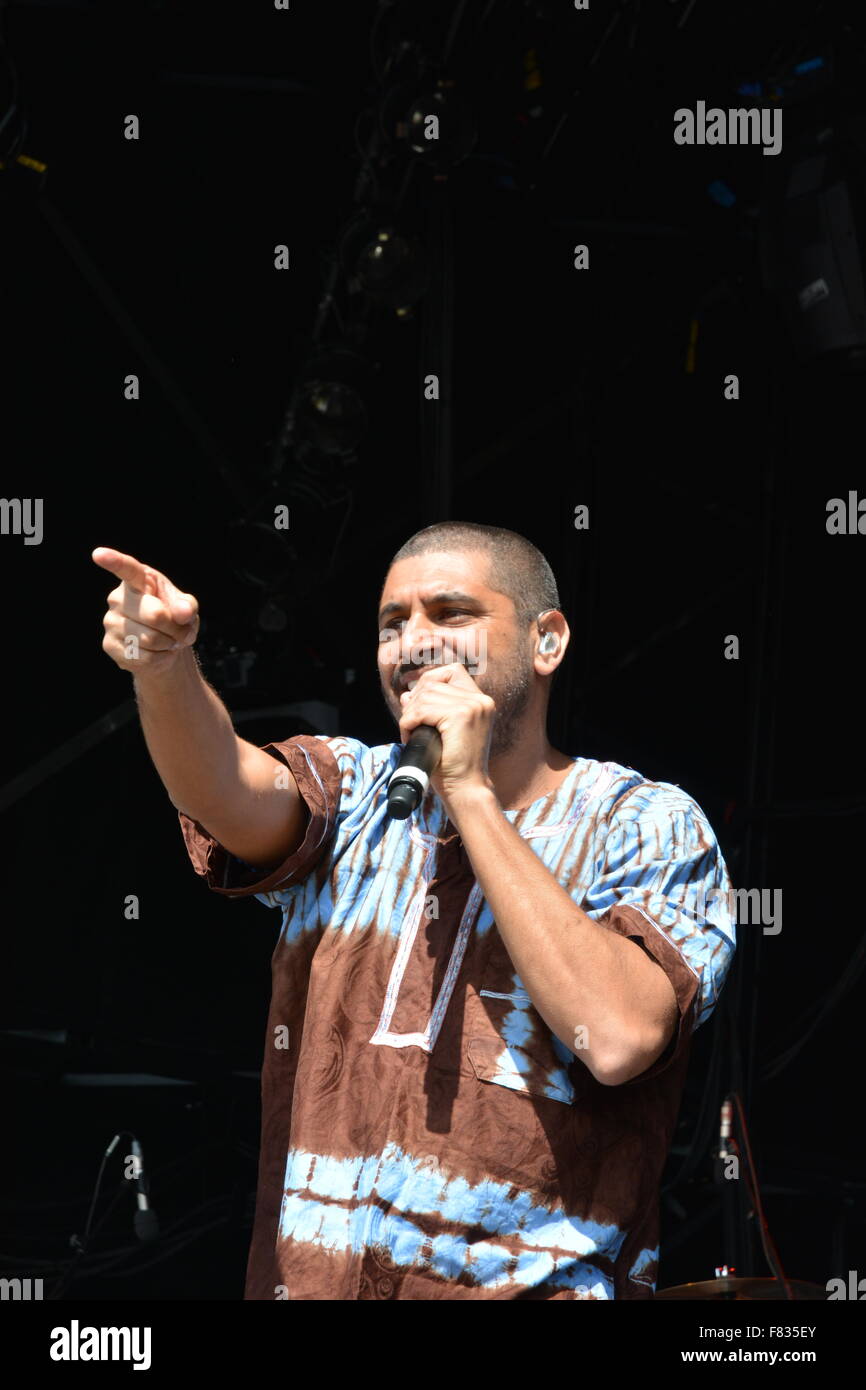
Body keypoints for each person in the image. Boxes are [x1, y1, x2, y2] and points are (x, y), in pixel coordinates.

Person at [93, 521, 736, 1300]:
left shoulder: (644, 823)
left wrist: (468, 793)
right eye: (392, 624)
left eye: (451, 613)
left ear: (547, 641)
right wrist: (165, 668)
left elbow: (623, 1036)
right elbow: (224, 790)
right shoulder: (362, 791)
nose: (415, 643)